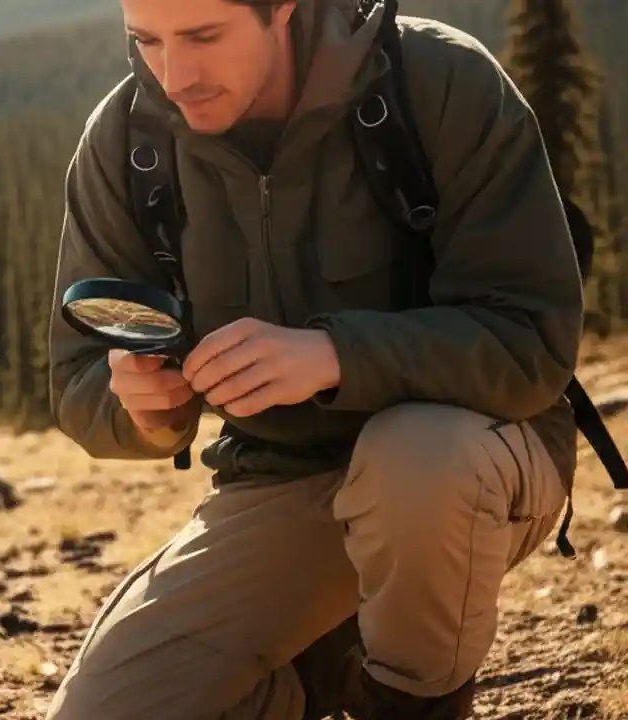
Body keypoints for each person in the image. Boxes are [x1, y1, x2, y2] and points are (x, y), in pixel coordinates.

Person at [44, 0, 585, 718]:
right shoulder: (125, 142)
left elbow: (533, 338)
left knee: (414, 459)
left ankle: (410, 699)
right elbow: (78, 371)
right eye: (146, 40)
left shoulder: (436, 82)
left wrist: (337, 354)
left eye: (203, 36)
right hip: (282, 481)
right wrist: (145, 411)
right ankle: (317, 672)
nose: (173, 74)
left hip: (472, 458)